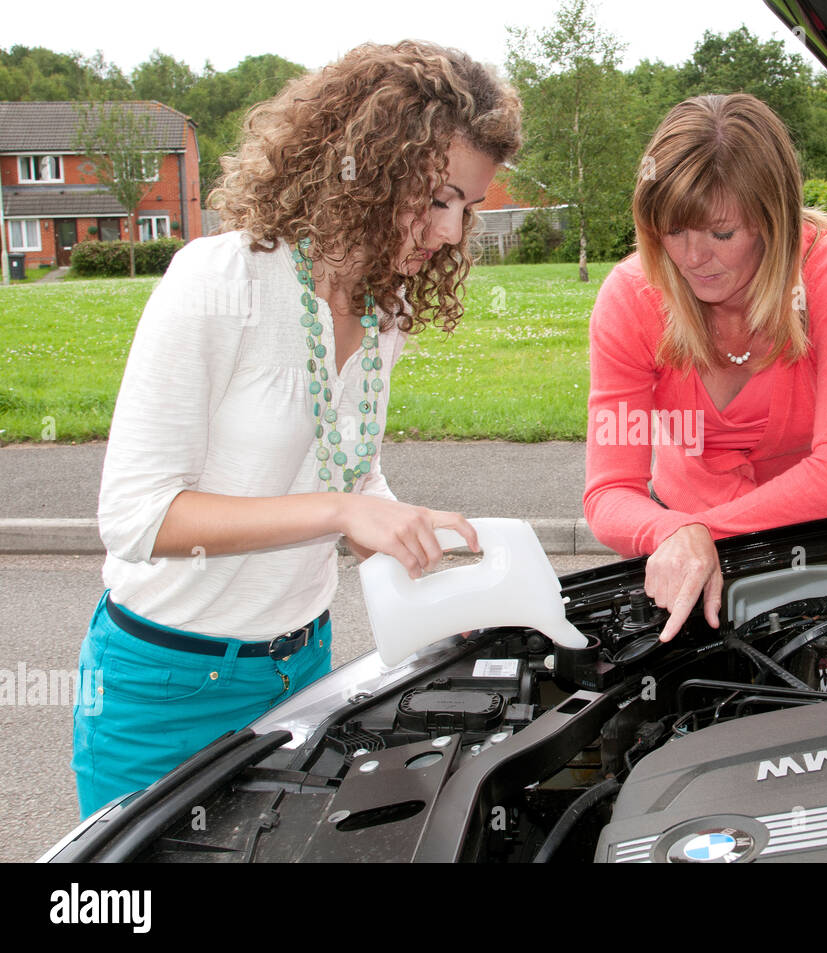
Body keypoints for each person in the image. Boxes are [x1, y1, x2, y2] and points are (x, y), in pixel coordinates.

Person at [71, 41, 522, 818]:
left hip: (303, 669)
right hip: (163, 687)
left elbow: (348, 474)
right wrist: (346, 512)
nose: (451, 232)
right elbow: (137, 516)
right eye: (439, 197)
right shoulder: (219, 282)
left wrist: (427, 555)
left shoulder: (387, 306)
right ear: (370, 163)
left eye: (468, 208)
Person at [583, 93, 827, 642]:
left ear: (774, 219)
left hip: (810, 546)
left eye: (721, 233)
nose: (694, 256)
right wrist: (669, 529)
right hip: (677, 548)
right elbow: (609, 492)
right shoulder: (631, 298)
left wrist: (700, 532)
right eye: (674, 230)